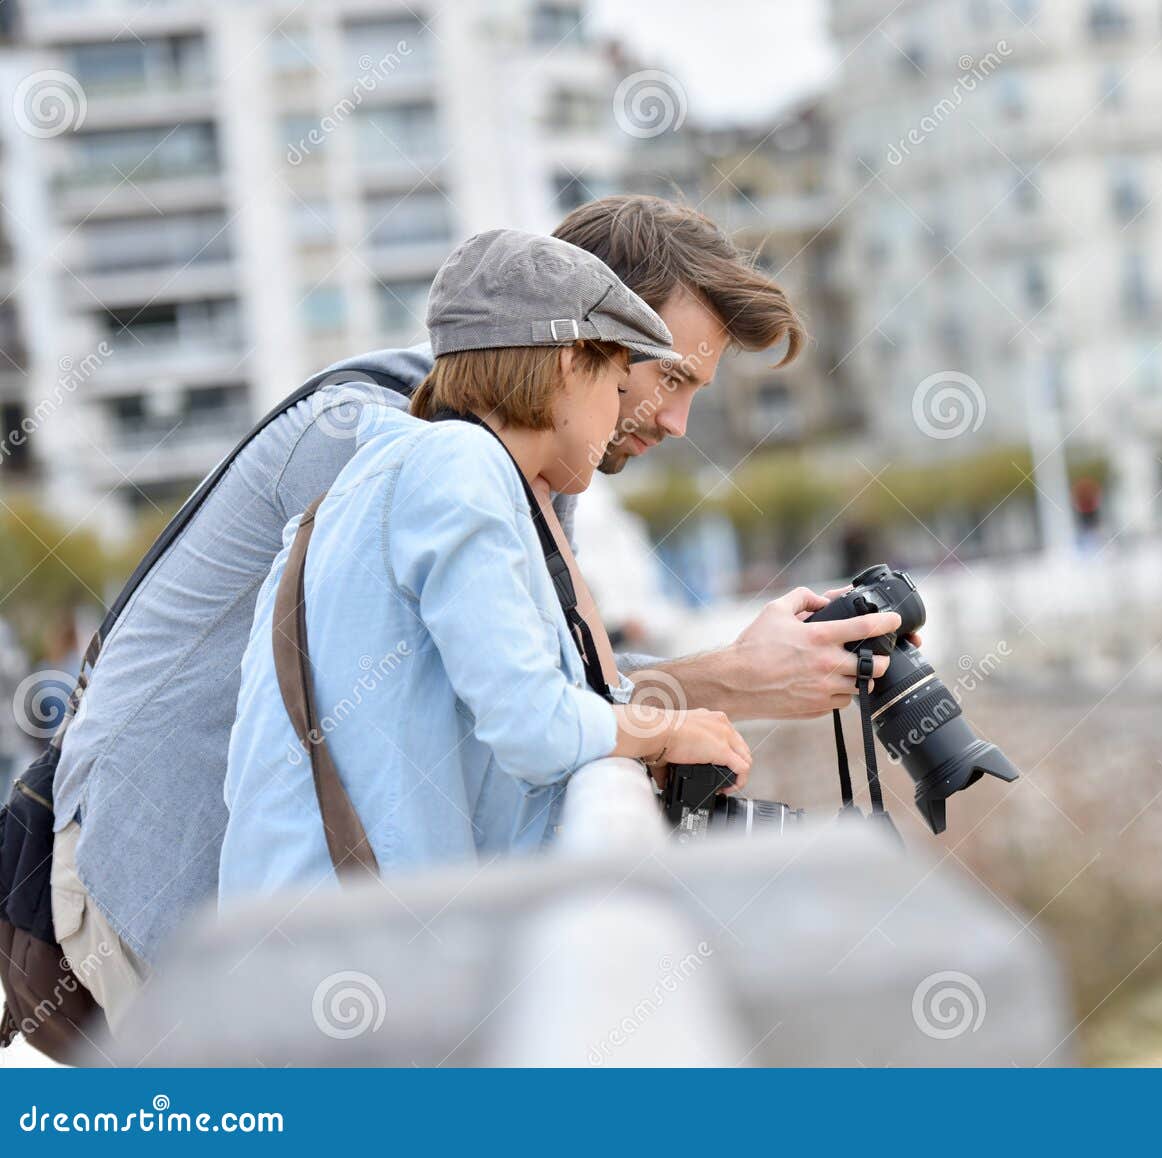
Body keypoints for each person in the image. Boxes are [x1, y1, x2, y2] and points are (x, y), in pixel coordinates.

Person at [47, 195, 901, 1016]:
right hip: (165, 884)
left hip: (303, 919)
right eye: (667, 374)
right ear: (583, 332)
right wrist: (729, 683)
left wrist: (729, 683)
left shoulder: (504, 458)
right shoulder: (390, 444)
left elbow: (514, 687)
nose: (676, 421)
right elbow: (515, 704)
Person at [220, 232, 753, 902]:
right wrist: (669, 730)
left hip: (325, 928)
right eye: (618, 384)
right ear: (569, 363)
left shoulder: (407, 472)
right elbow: (533, 725)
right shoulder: (457, 465)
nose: (624, 410)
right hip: (339, 938)